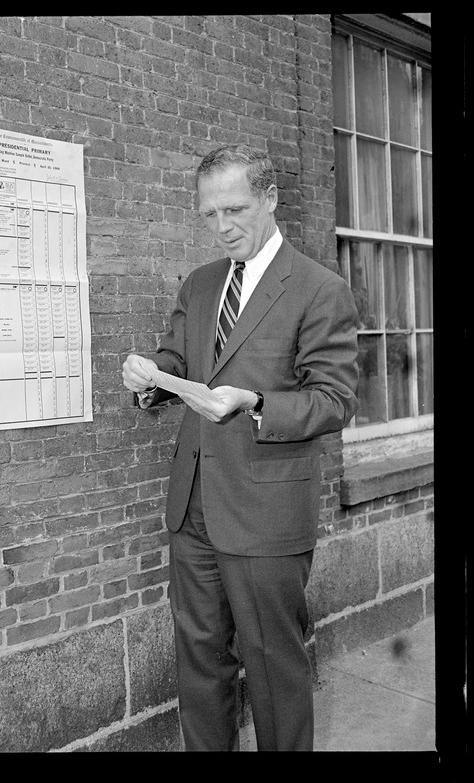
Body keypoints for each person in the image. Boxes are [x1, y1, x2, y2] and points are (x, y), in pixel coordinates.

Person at [122, 145, 359, 752]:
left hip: (266, 513)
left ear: (270, 199)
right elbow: (180, 360)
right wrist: (152, 380)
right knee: (199, 661)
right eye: (209, 215)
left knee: (273, 666)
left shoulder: (318, 289)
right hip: (194, 506)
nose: (222, 227)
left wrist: (254, 403)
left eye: (236, 209)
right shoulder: (200, 286)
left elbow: (334, 400)